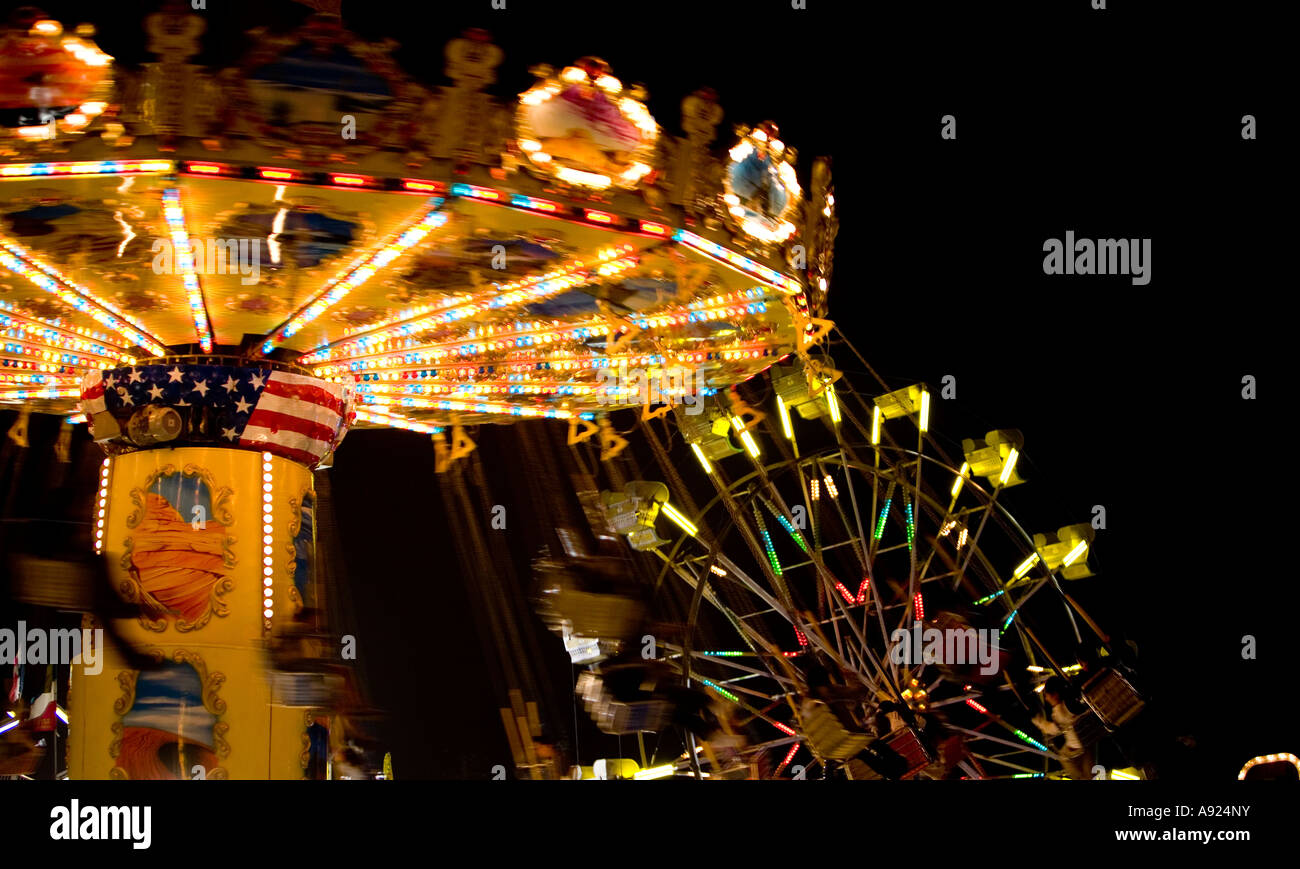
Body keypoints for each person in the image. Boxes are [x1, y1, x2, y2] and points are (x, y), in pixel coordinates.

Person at [1032, 676, 1094, 780]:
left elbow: (1052, 730)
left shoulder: (1059, 713)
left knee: (1064, 757)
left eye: (1047, 696)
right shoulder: (1073, 701)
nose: (1046, 699)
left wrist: (1037, 720)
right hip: (1087, 741)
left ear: (1055, 695)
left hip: (1076, 748)